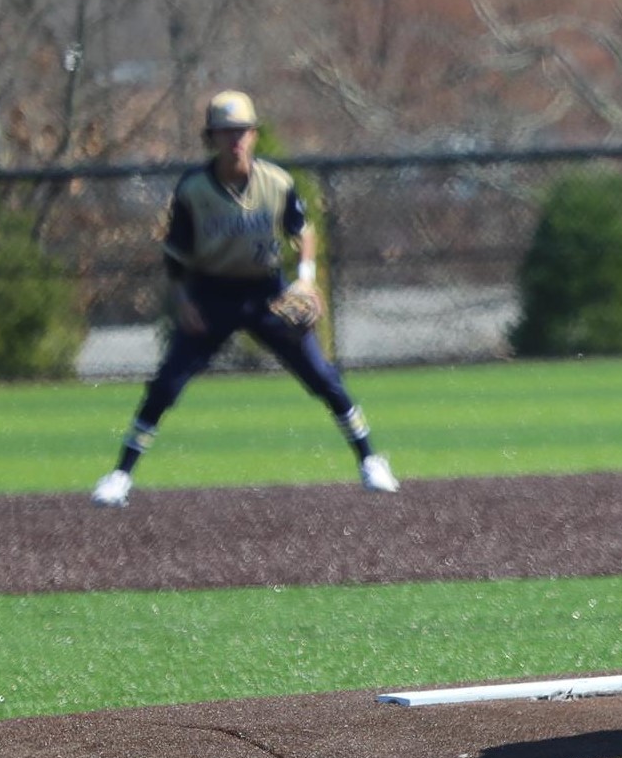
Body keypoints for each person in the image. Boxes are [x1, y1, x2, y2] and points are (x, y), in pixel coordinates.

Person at [90, 91, 399, 507]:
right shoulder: (194, 190)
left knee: (323, 377)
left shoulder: (276, 182)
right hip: (211, 293)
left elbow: (302, 231)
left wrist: (305, 280)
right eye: (225, 131)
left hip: (267, 293)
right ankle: (120, 476)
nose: (234, 139)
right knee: (166, 384)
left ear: (254, 135)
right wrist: (182, 300)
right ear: (211, 137)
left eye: (241, 131)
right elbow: (175, 255)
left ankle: (371, 461)